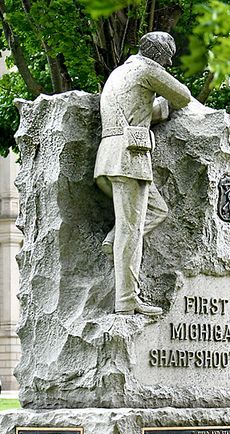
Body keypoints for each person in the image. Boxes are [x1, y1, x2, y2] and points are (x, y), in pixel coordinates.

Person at [94, 31, 193, 316]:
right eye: (168, 58)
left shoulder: (120, 73)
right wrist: (164, 96)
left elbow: (135, 109)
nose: (169, 64)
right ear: (159, 55)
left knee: (156, 210)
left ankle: (112, 240)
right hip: (129, 159)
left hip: (110, 158)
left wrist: (157, 110)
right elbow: (183, 97)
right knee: (131, 229)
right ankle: (126, 300)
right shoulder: (148, 69)